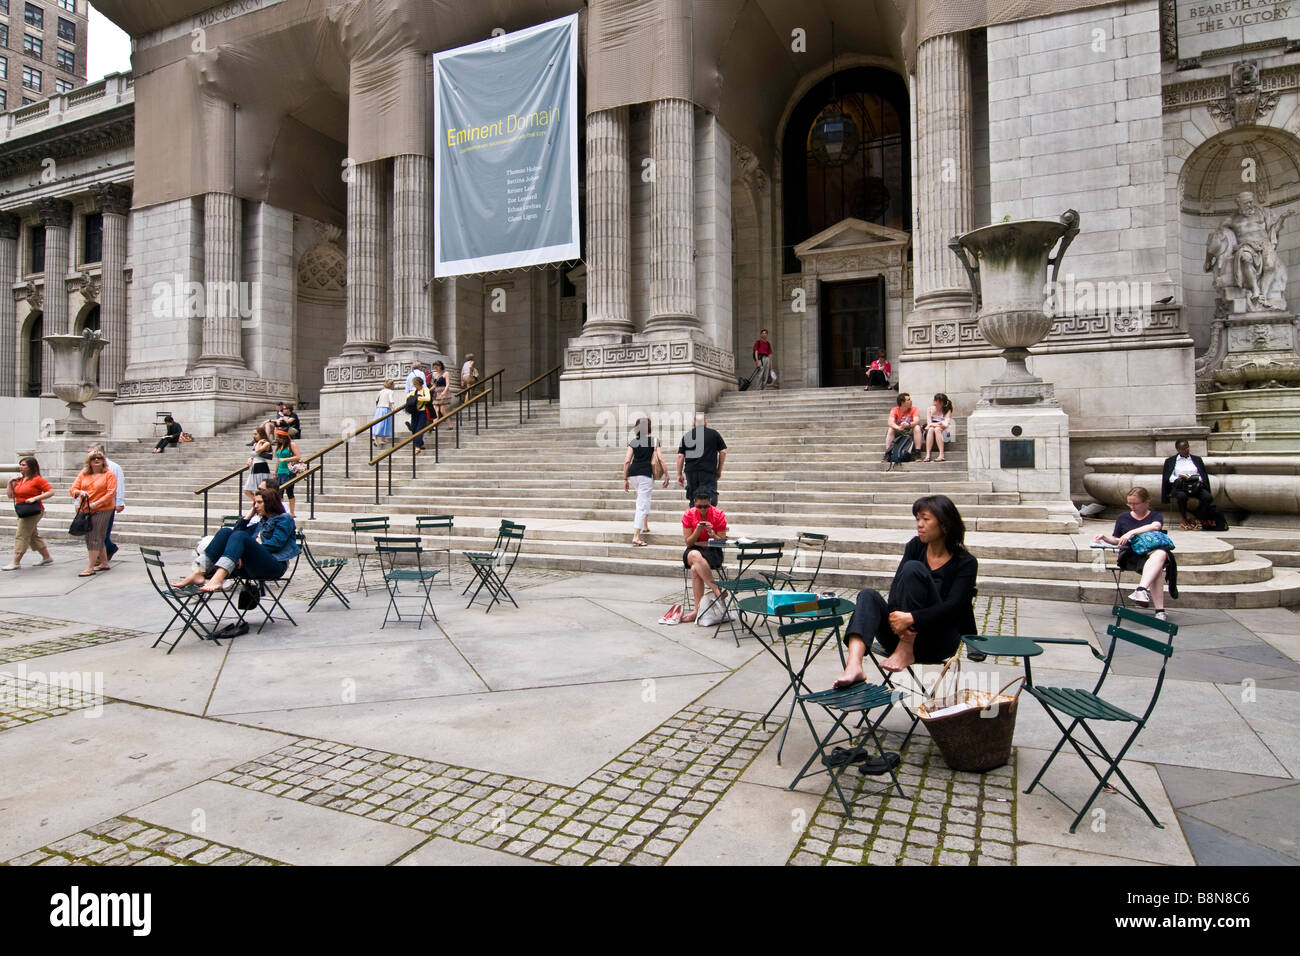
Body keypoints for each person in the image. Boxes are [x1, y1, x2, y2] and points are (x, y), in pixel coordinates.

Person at [834, 495, 978, 684]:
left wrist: (912, 618)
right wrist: (899, 619)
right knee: (868, 595)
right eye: (917, 519)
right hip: (899, 631)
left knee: (913, 568)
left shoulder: (965, 562)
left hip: (938, 640)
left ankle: (905, 648)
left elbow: (953, 608)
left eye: (926, 519)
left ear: (945, 524)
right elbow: (896, 592)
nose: (919, 524)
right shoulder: (915, 546)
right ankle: (854, 666)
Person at [171, 488, 299, 594]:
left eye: (259, 502)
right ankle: (199, 571)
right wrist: (250, 515)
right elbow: (234, 533)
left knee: (241, 536)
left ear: (270, 502)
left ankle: (218, 577)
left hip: (274, 566)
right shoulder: (262, 521)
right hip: (252, 566)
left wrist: (244, 552)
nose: (256, 506)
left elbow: (275, 544)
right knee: (225, 531)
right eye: (254, 503)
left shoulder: (284, 519)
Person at [1094, 486, 1178, 621]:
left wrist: (1132, 532)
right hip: (1130, 556)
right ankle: (1157, 608)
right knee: (1158, 563)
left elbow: (1155, 526)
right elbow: (1117, 540)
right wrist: (1105, 538)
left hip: (1150, 555)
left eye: (1136, 503)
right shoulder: (1123, 517)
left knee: (1160, 555)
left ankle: (1142, 590)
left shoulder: (1155, 516)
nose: (1132, 506)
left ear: (1146, 502)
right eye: (1130, 503)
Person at [679, 490, 728, 623]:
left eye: (706, 506)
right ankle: (716, 589)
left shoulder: (718, 514)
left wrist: (712, 533)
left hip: (713, 549)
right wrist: (697, 530)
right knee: (695, 555)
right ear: (694, 503)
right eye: (699, 506)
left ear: (710, 503)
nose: (703, 509)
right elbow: (688, 542)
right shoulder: (689, 515)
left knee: (695, 569)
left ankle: (697, 611)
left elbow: (722, 542)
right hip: (693, 549)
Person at [69, 449, 118, 577]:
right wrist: (79, 493)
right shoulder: (83, 474)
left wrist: (96, 504)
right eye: (93, 458)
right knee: (97, 536)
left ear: (103, 461)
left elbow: (110, 493)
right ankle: (104, 562)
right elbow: (73, 488)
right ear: (89, 461)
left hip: (103, 509)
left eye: (99, 458)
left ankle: (90, 567)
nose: (96, 460)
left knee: (94, 536)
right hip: (86, 508)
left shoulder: (109, 474)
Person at [624, 417, 670, 547]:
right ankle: (636, 536)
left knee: (645, 498)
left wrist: (625, 479)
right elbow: (660, 458)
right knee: (642, 504)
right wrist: (666, 475)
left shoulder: (633, 442)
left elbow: (627, 461)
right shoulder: (654, 441)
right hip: (645, 474)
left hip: (633, 474)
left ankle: (645, 525)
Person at [4, 456, 55, 570]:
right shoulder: (20, 480)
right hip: (22, 510)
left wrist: (35, 498)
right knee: (32, 535)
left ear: (31, 467)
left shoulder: (37, 479)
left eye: (24, 465)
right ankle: (47, 557)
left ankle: (15, 561)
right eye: (20, 465)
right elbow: (10, 496)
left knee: (21, 534)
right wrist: (9, 482)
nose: (21, 467)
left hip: (33, 510)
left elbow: (51, 491)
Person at [676, 413, 727, 506]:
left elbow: (680, 456)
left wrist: (679, 474)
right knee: (710, 499)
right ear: (705, 421)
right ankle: (708, 519)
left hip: (691, 472)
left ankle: (695, 519)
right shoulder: (714, 434)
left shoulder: (687, 435)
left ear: (694, 422)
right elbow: (723, 452)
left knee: (693, 499)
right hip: (709, 471)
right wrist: (719, 470)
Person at [1161, 440, 1212, 531]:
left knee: (1207, 497)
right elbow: (1168, 477)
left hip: (1195, 486)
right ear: (1178, 449)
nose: (1186, 450)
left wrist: (1196, 478)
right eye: (1183, 449)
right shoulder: (1170, 461)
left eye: (1187, 448)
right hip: (1180, 487)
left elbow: (1203, 475)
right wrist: (1179, 479)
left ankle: (1194, 517)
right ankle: (1184, 518)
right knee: (1182, 497)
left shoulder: (1197, 459)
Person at [88, 443, 125, 566]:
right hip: (91, 505)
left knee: (102, 533)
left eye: (92, 453)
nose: (90, 455)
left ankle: (102, 556)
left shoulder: (113, 467)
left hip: (107, 505)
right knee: (95, 532)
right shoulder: (89, 469)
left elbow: (119, 486)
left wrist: (119, 502)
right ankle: (105, 553)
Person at [883, 392, 922, 461]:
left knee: (917, 427)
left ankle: (917, 453)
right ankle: (888, 454)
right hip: (899, 430)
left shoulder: (914, 409)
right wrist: (898, 427)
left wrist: (909, 424)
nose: (911, 401)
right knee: (891, 429)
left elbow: (917, 421)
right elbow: (890, 422)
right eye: (908, 400)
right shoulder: (894, 410)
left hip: (910, 430)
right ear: (902, 402)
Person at [273, 429, 303, 517]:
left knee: (290, 491)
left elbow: (298, 456)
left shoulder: (291, 444)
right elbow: (278, 460)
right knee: (279, 492)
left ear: (283, 437)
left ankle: (292, 512)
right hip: (280, 471)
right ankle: (281, 511)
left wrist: (285, 459)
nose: (277, 439)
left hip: (288, 471)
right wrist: (275, 472)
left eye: (278, 437)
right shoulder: (279, 446)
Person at [921, 393, 955, 463]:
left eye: (936, 400)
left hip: (945, 434)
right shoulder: (930, 409)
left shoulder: (947, 410)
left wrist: (933, 425)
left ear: (941, 403)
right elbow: (929, 423)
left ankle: (941, 454)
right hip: (930, 433)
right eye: (934, 399)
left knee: (936, 429)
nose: (934, 401)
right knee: (931, 429)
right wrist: (938, 424)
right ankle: (927, 455)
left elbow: (945, 424)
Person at [244, 426, 274, 501]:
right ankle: (258, 502)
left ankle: (261, 503)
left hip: (262, 466)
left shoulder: (266, 443)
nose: (254, 436)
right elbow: (253, 454)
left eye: (256, 434)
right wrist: (250, 458)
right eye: (253, 434)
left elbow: (257, 451)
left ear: (261, 434)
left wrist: (260, 442)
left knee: (262, 489)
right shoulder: (255, 444)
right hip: (255, 466)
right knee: (247, 490)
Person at [372, 379, 398, 447]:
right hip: (386, 409)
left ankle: (375, 437)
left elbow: (376, 400)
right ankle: (382, 439)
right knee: (385, 424)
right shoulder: (390, 392)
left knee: (378, 422)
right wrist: (394, 407)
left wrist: (377, 407)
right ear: (391, 385)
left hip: (379, 409)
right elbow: (391, 400)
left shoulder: (381, 391)